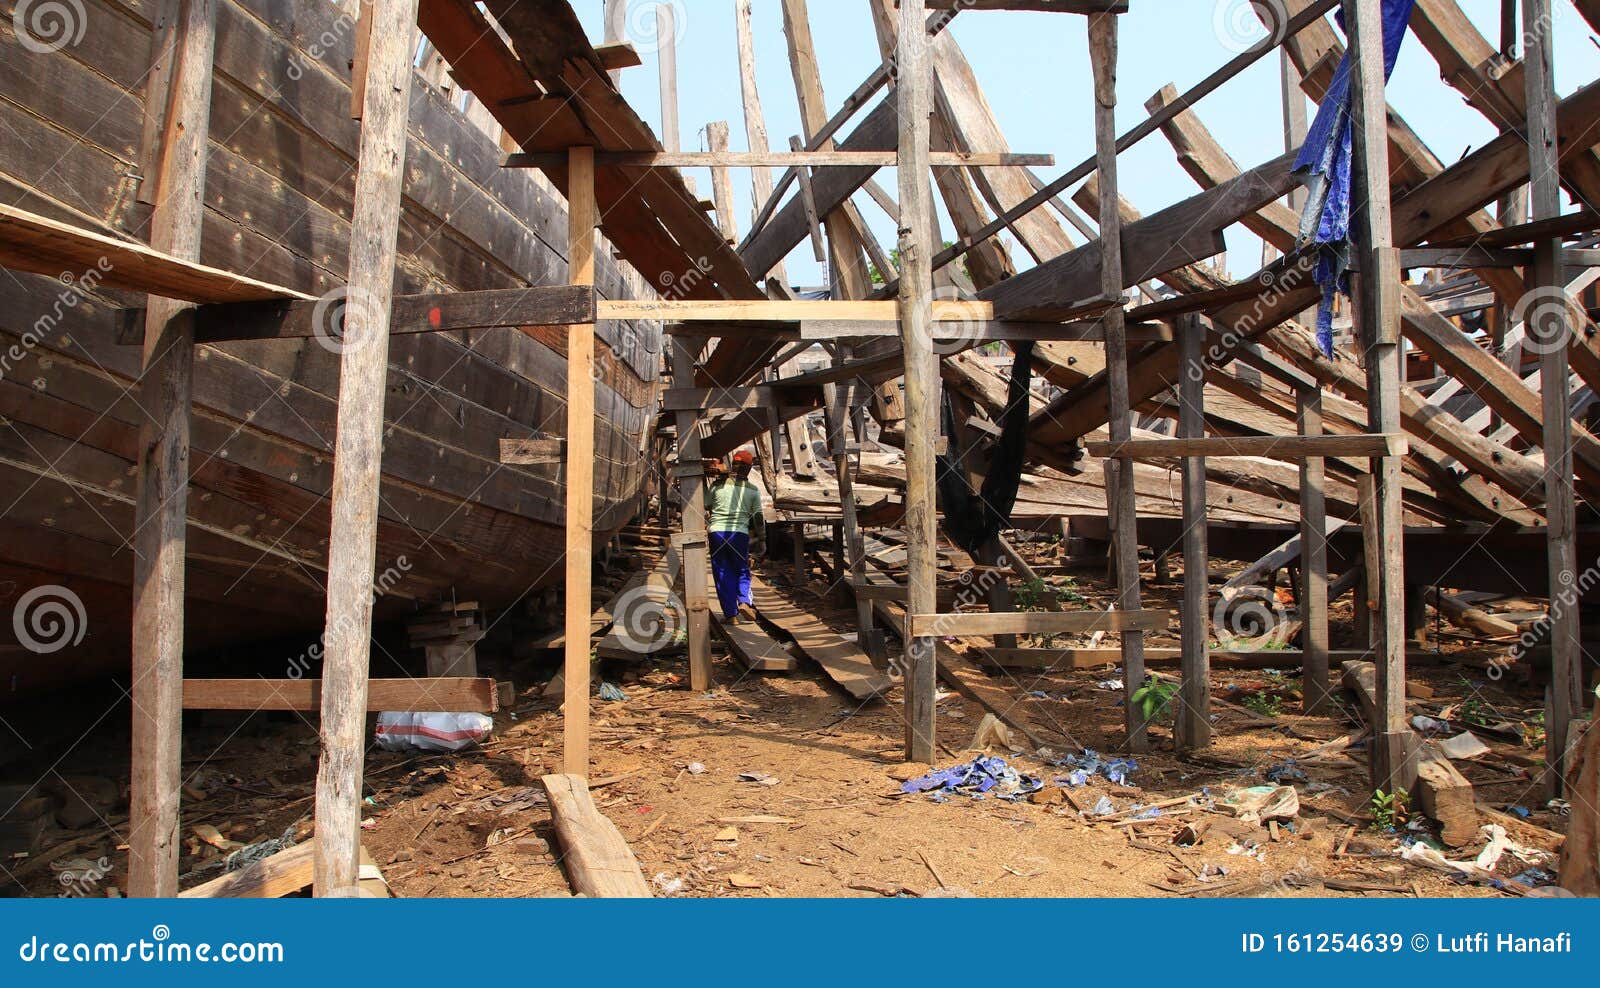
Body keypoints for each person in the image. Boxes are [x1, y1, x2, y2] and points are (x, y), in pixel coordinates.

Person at [707, 449, 763, 623]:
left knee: (722, 572)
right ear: (749, 468)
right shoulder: (753, 490)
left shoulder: (717, 486)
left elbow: (707, 505)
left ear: (733, 465)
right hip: (739, 535)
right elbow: (758, 519)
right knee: (742, 570)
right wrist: (761, 540)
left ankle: (731, 615)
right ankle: (744, 601)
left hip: (716, 533)